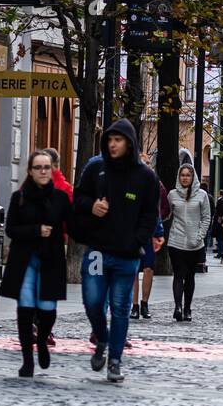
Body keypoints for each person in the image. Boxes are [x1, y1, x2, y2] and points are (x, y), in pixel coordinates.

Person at [68, 119, 159, 382]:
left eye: (117, 140)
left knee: (120, 308)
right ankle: (103, 339)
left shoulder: (145, 177)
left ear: (129, 143)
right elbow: (79, 196)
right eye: (109, 139)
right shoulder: (96, 168)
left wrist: (137, 242)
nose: (112, 144)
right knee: (93, 301)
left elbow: (149, 215)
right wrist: (92, 206)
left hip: (127, 255)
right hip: (97, 249)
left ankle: (115, 361)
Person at [0, 151, 72, 377]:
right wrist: (35, 231)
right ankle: (27, 360)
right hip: (25, 260)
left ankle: (42, 340)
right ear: (30, 171)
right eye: (38, 167)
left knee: (48, 310)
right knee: (26, 308)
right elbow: (10, 229)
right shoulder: (19, 197)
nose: (43, 171)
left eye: (46, 167)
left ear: (52, 170)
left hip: (51, 260)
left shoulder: (60, 198)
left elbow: (74, 224)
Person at [167, 164, 212, 322]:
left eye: (188, 175)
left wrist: (200, 236)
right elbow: (167, 214)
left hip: (195, 243)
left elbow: (206, 217)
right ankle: (178, 307)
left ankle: (187, 308)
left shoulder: (202, 195)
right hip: (176, 241)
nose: (185, 178)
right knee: (178, 274)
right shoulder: (172, 195)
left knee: (190, 276)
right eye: (182, 175)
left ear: (193, 178)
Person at [132, 178, 167, 320]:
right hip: (132, 233)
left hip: (148, 233)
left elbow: (157, 210)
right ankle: (134, 306)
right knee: (133, 270)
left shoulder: (154, 183)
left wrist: (159, 232)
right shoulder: (129, 180)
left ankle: (144, 303)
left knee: (148, 268)